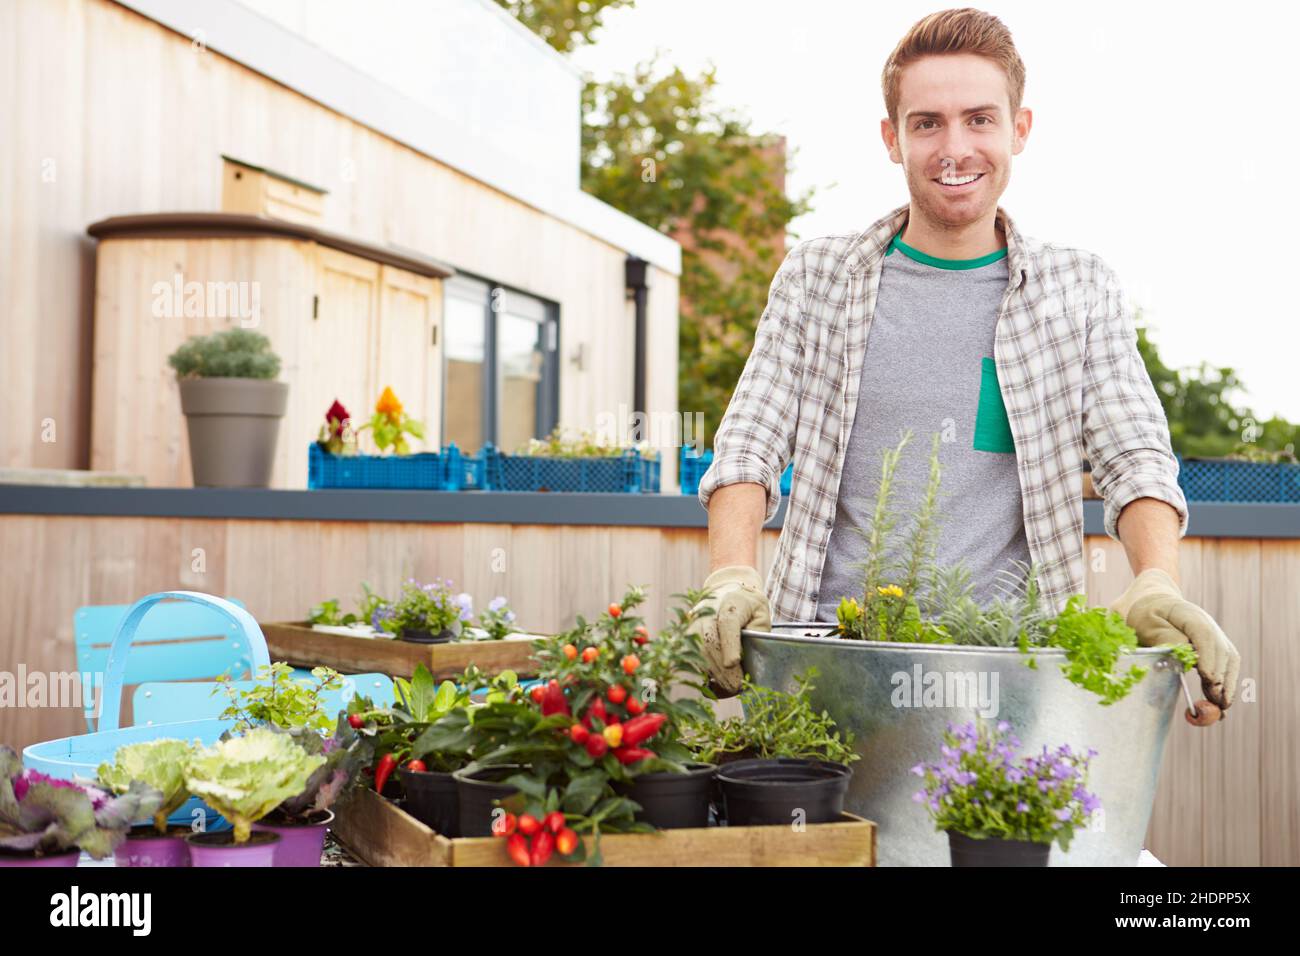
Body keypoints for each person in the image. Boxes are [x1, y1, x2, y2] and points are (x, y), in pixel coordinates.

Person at [689, 8, 1240, 718]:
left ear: (1020, 129)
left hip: (1010, 674)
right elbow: (749, 444)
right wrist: (732, 572)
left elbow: (1134, 457)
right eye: (927, 123)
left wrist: (1157, 582)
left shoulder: (1078, 289)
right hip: (829, 665)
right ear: (892, 138)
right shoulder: (818, 276)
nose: (955, 147)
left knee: (999, 833)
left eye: (980, 119)